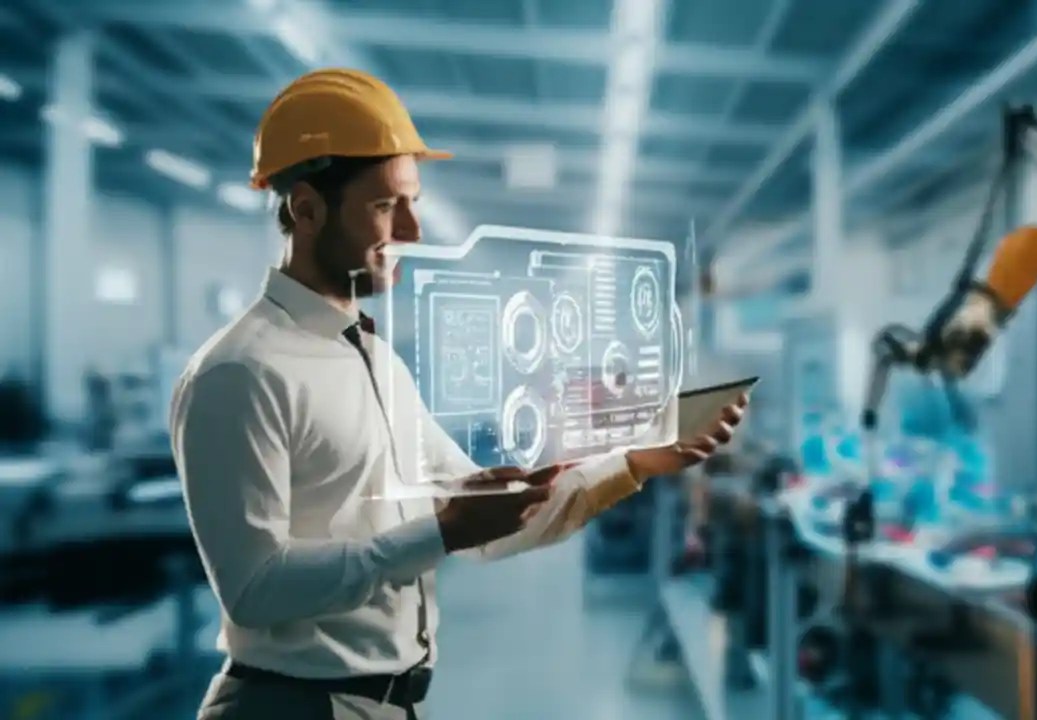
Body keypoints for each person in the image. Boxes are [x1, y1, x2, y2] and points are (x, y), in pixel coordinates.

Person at [170, 68, 749, 720]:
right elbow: (254, 588)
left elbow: (489, 519)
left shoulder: (374, 360)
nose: (414, 230)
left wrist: (638, 461)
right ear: (306, 209)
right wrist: (440, 532)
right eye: (389, 204)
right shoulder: (239, 373)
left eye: (413, 202)